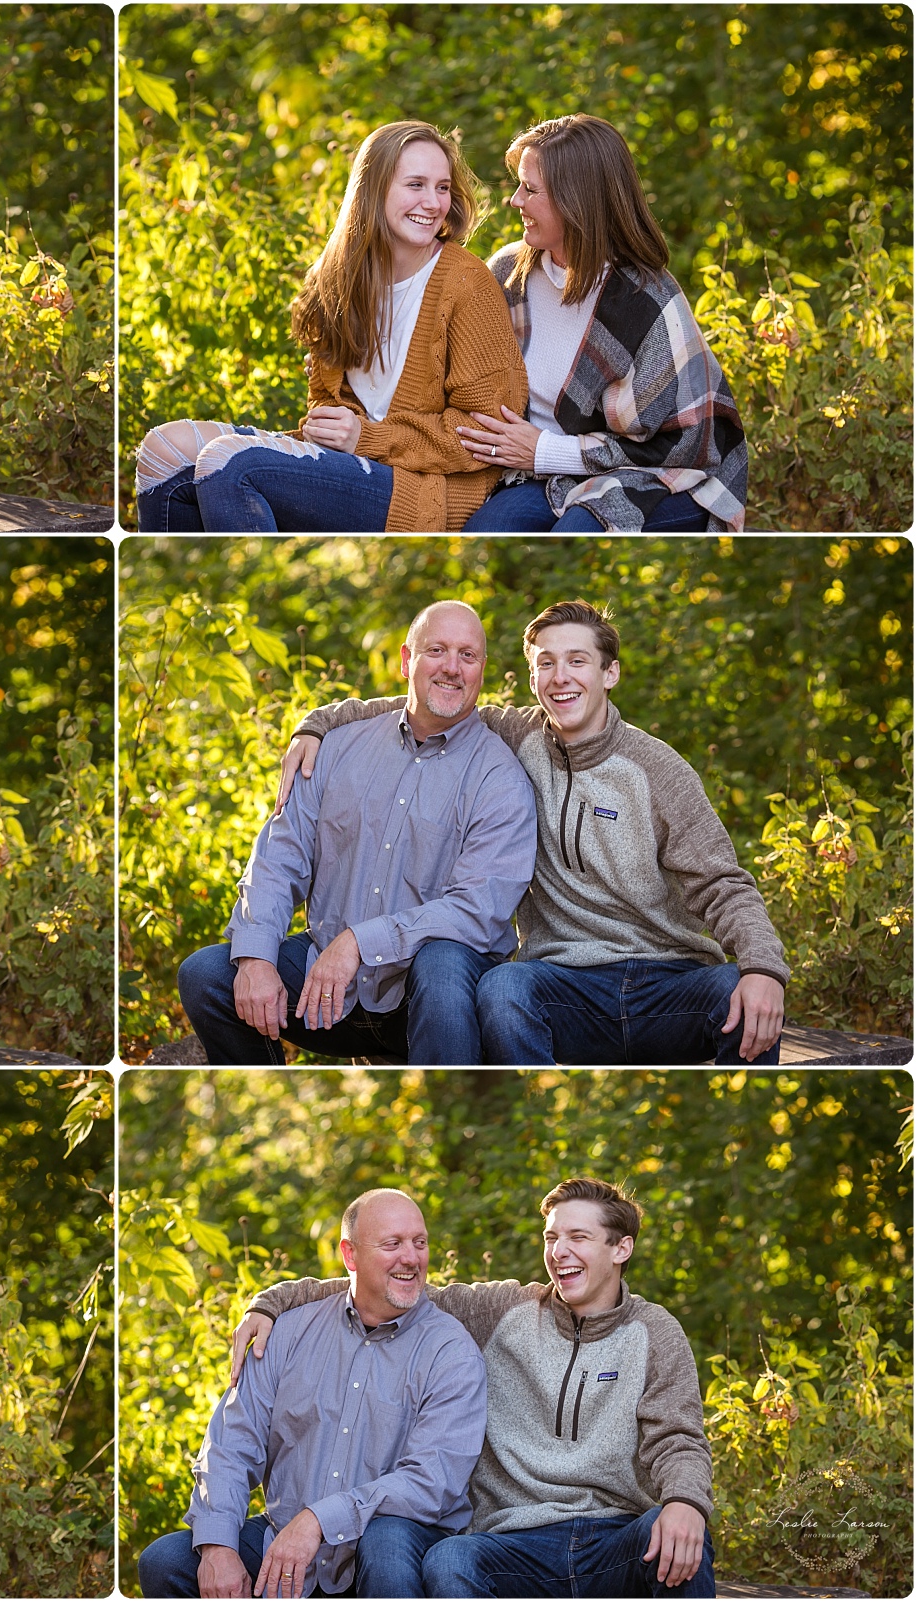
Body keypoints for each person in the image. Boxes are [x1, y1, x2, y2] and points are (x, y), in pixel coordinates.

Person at [278, 599, 788, 1064]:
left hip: (666, 983)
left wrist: (763, 969)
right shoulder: (517, 738)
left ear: (610, 673)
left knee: (734, 993)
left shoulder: (658, 770)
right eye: (546, 663)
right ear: (532, 677)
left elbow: (723, 884)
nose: (560, 677)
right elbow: (425, 702)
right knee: (501, 992)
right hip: (561, 987)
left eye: (578, 661)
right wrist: (316, 724)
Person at [229, 1177, 717, 1600]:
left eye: (577, 1237)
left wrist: (686, 1503)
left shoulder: (656, 1331)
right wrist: (269, 1303)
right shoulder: (504, 1310)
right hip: (509, 1543)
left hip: (612, 1536)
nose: (558, 1251)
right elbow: (386, 1284)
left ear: (620, 1248)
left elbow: (677, 1439)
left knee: (676, 1531)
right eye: (551, 1238)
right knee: (449, 1563)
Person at [177, 601, 536, 1065]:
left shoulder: (500, 778)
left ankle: (447, 1125)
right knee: (205, 975)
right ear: (407, 660)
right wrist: (257, 957)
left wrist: (362, 940)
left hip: (430, 1004)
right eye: (437, 650)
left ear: (482, 670)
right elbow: (279, 857)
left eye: (468, 656)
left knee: (444, 964)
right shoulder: (337, 747)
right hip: (326, 990)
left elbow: (477, 911)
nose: (452, 667)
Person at [135, 121, 528, 532]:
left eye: (443, 187)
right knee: (164, 450)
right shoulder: (339, 279)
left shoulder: (467, 285)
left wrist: (367, 437)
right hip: (353, 465)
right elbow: (325, 401)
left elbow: (488, 432)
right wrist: (334, 424)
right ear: (372, 190)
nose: (432, 202)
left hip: (429, 492)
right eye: (416, 185)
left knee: (231, 464)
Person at [138, 1189, 486, 1599]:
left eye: (420, 1243)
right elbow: (232, 1444)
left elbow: (431, 1482)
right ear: (350, 1256)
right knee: (165, 1561)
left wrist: (319, 1518)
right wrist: (218, 1548)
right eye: (393, 1244)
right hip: (283, 1543)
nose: (412, 1258)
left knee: (387, 1545)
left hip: (388, 1550)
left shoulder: (451, 1351)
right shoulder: (288, 1332)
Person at [456, 114, 747, 532]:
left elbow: (691, 446)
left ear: (577, 202)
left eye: (531, 189)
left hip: (649, 473)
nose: (515, 200)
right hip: (532, 472)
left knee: (579, 529)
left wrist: (546, 451)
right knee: (487, 530)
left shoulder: (647, 300)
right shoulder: (508, 273)